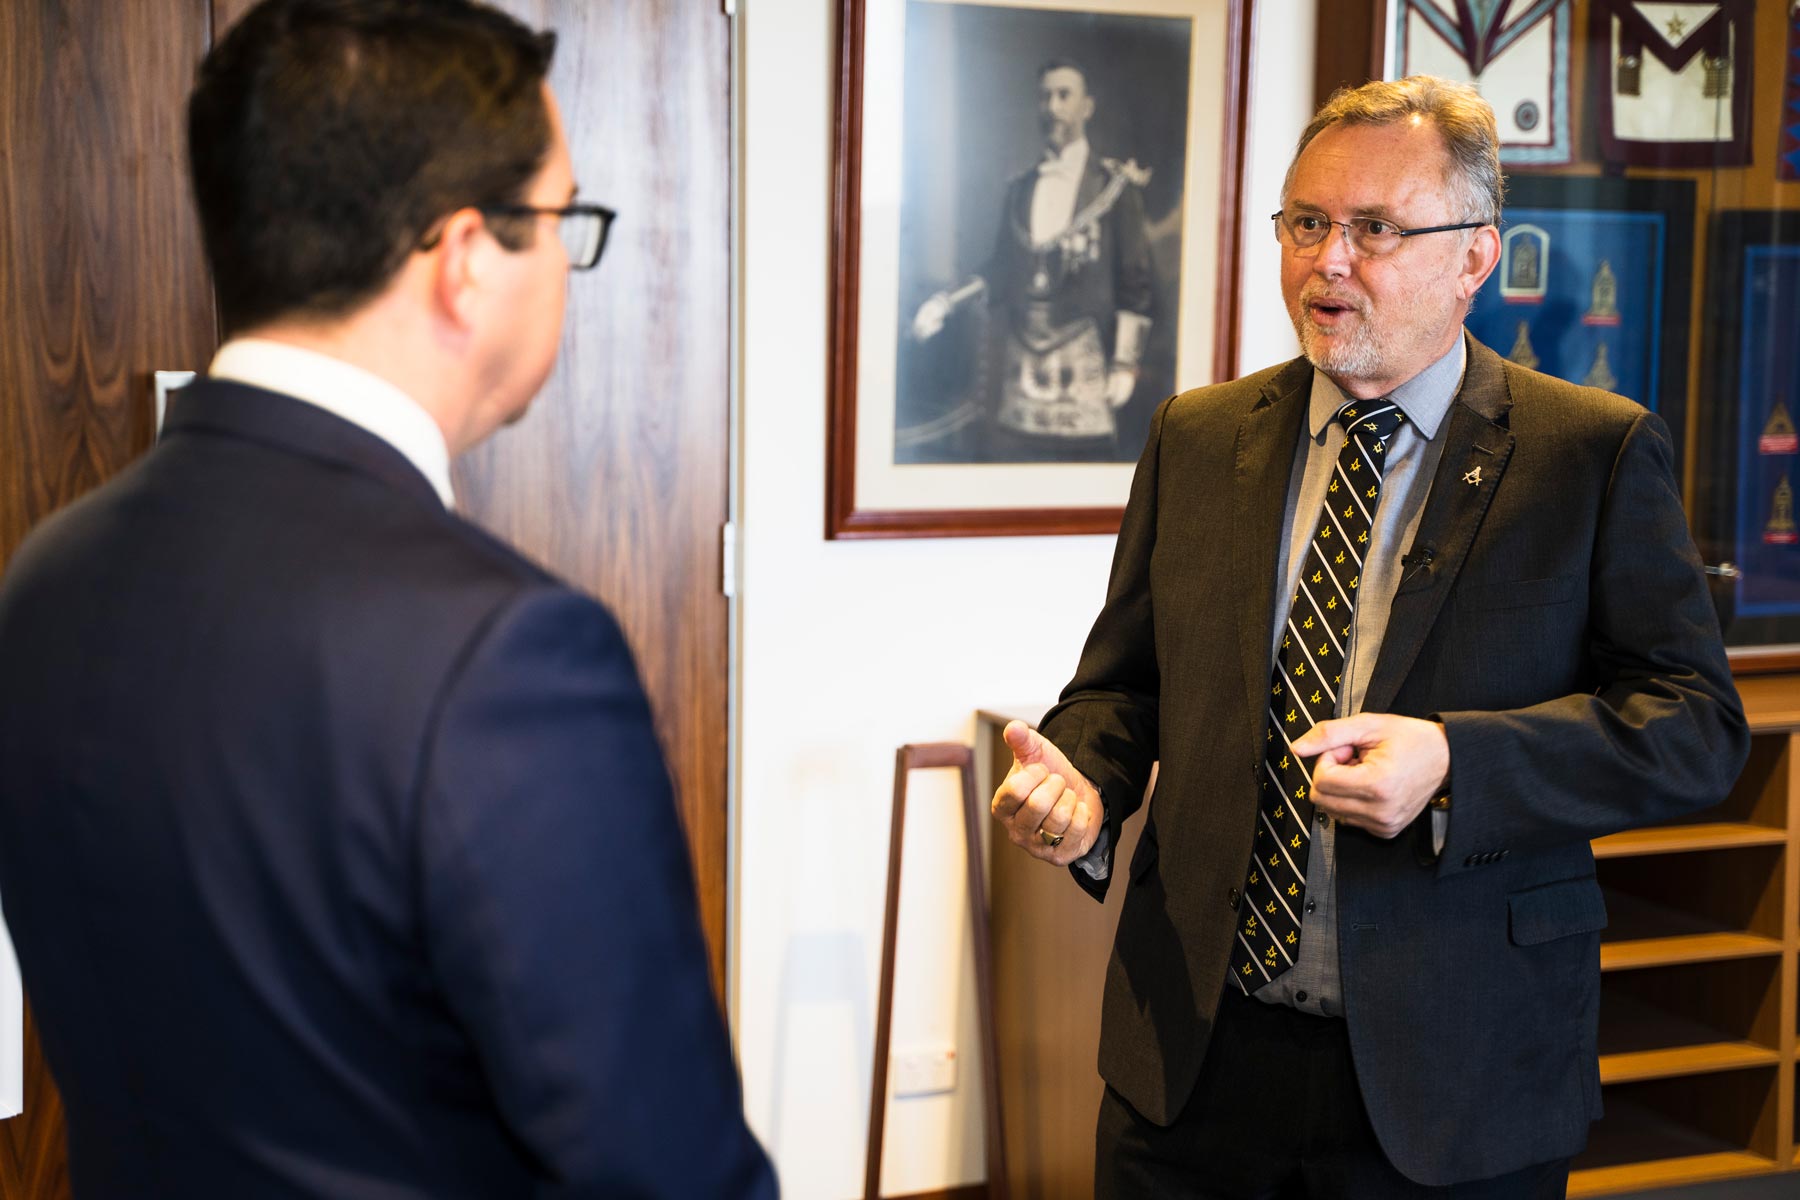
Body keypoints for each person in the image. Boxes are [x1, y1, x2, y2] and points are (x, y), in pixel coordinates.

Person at [0, 2, 776, 1196]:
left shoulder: (46, 578)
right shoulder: (508, 656)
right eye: (563, 220)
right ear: (466, 257)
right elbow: (667, 1169)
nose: (568, 262)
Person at [990, 76, 1747, 1197]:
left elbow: (1694, 728)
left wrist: (1458, 764)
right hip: (1192, 1064)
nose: (1326, 262)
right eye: (1305, 224)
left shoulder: (1587, 452)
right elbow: (1125, 687)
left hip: (1456, 1078)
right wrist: (1083, 791)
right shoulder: (1197, 437)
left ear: (1475, 258)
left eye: (1375, 230)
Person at [911, 59, 1154, 462]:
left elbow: (1135, 282)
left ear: (1087, 106)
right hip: (1021, 377)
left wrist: (1125, 363)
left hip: (1090, 373)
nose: (1053, 106)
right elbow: (1000, 269)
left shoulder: (1115, 187)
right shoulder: (1020, 188)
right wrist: (944, 302)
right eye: (1045, 97)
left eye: (1064, 95)